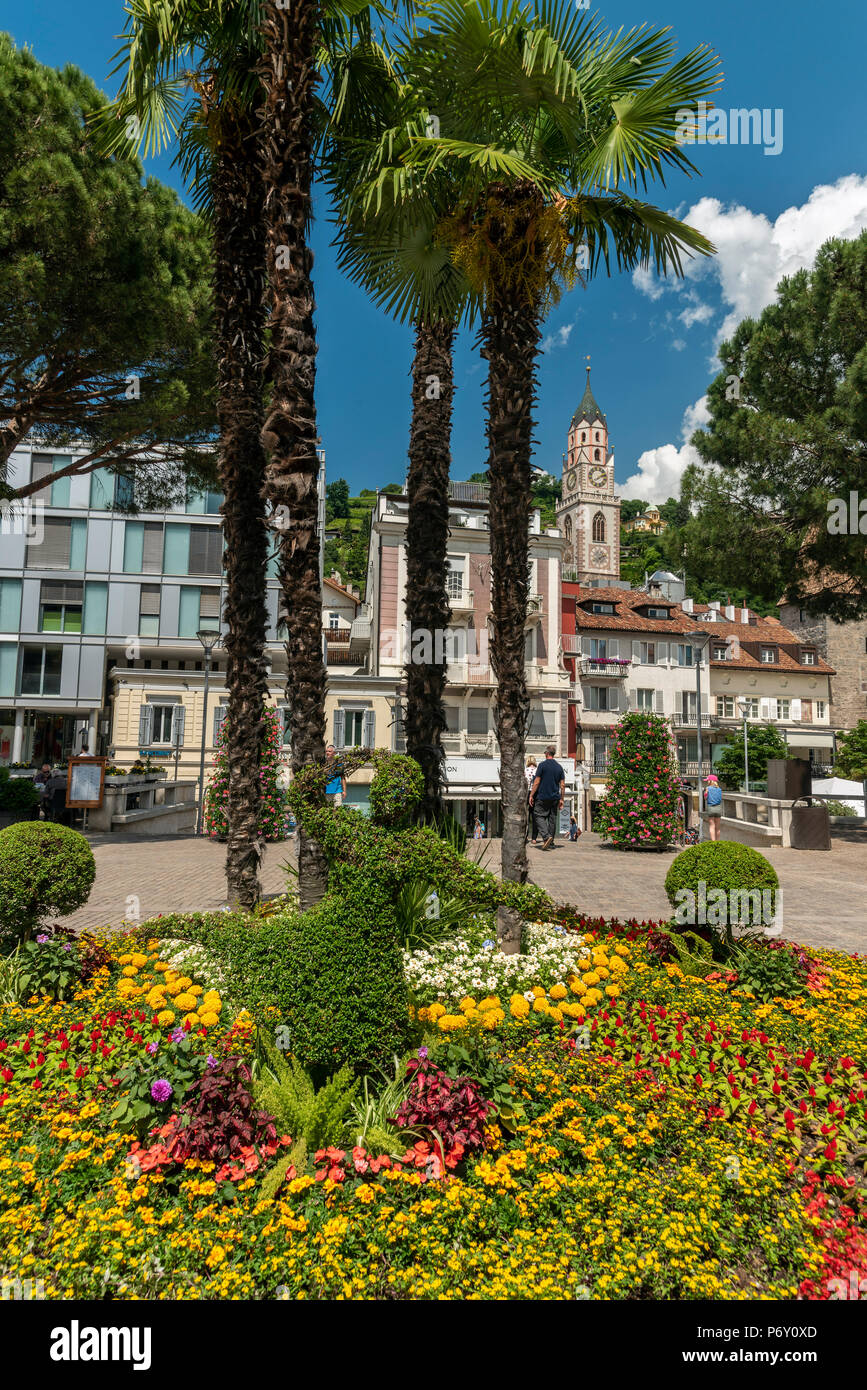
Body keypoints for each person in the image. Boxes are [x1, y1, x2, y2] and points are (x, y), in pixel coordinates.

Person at [528, 744, 565, 850]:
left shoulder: (542, 765)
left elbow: (537, 782)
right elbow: (562, 785)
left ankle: (546, 836)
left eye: (545, 753)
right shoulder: (559, 767)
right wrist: (562, 799)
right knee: (552, 819)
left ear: (547, 753)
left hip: (542, 796)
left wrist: (531, 795)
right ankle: (551, 842)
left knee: (538, 815)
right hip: (554, 798)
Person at [702, 773, 723, 840]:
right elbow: (720, 799)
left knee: (712, 826)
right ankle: (718, 841)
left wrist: (705, 794)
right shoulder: (719, 789)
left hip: (711, 808)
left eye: (708, 780)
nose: (707, 781)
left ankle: (713, 842)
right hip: (718, 808)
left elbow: (705, 797)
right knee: (718, 827)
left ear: (711, 781)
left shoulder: (708, 788)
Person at [525, 756, 539, 841]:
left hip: (527, 793)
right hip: (536, 794)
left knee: (526, 816)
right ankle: (534, 838)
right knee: (535, 817)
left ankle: (525, 836)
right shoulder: (538, 770)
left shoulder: (525, 770)